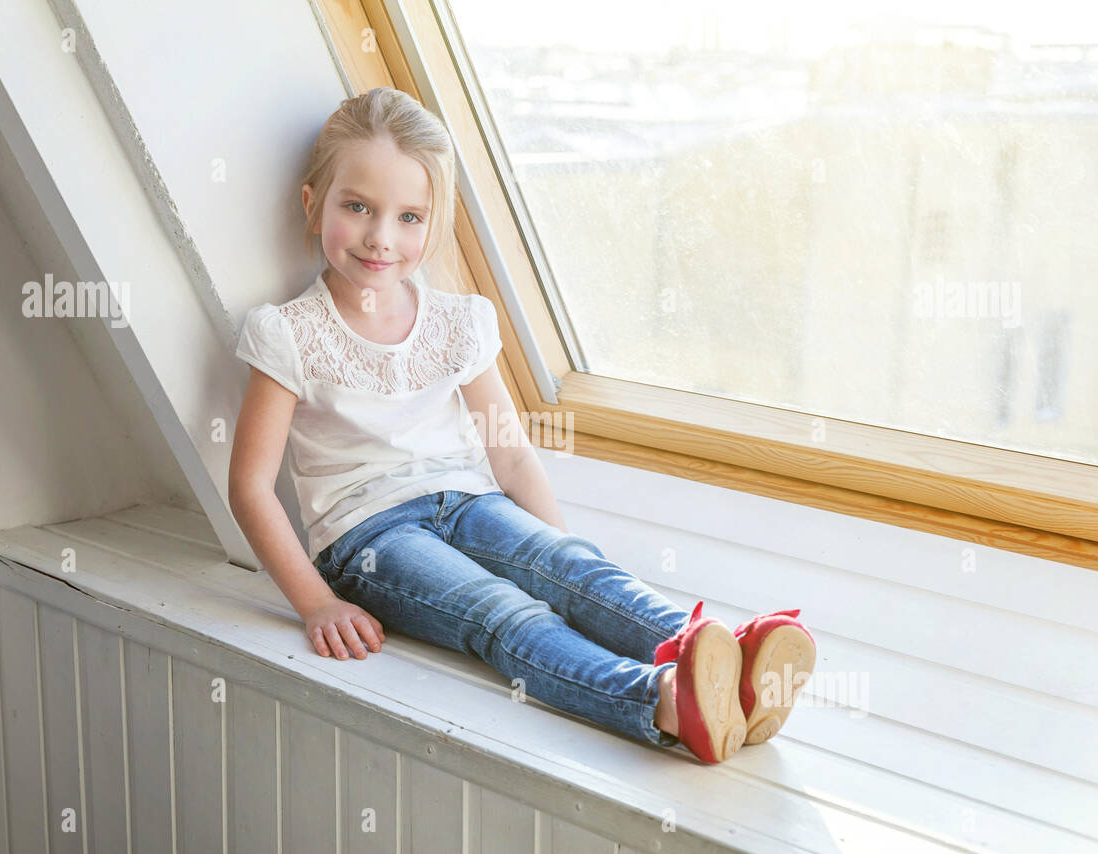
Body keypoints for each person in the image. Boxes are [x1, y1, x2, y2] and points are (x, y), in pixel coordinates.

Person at [228, 87, 816, 764]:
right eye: (357, 206)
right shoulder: (290, 334)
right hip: (370, 537)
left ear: (433, 222)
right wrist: (314, 602)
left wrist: (561, 565)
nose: (381, 236)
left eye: (408, 216)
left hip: (472, 500)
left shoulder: (456, 321)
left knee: (569, 565)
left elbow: (508, 456)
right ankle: (661, 701)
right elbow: (249, 484)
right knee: (499, 609)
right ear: (313, 205)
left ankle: (729, 662)